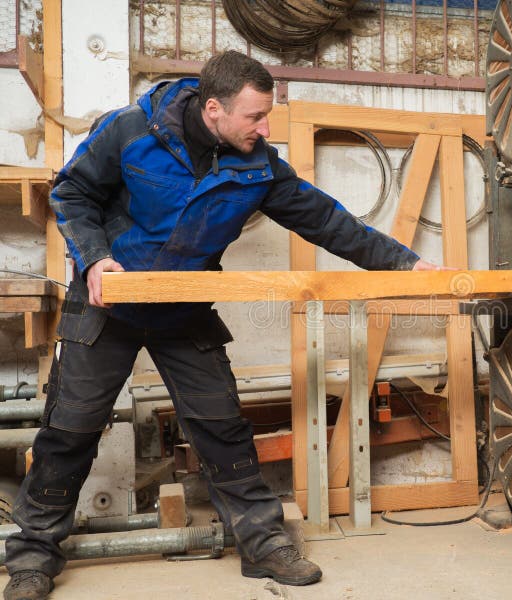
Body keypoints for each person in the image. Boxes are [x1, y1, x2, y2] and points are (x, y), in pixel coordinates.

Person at [3, 50, 446, 600]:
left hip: (185, 306)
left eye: (268, 117)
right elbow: (72, 191)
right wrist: (94, 258)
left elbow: (328, 220)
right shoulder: (132, 129)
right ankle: (33, 556)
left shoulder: (257, 164)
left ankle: (262, 543)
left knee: (222, 425)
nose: (265, 129)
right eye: (255, 117)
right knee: (70, 429)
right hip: (107, 303)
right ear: (213, 108)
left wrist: (405, 264)